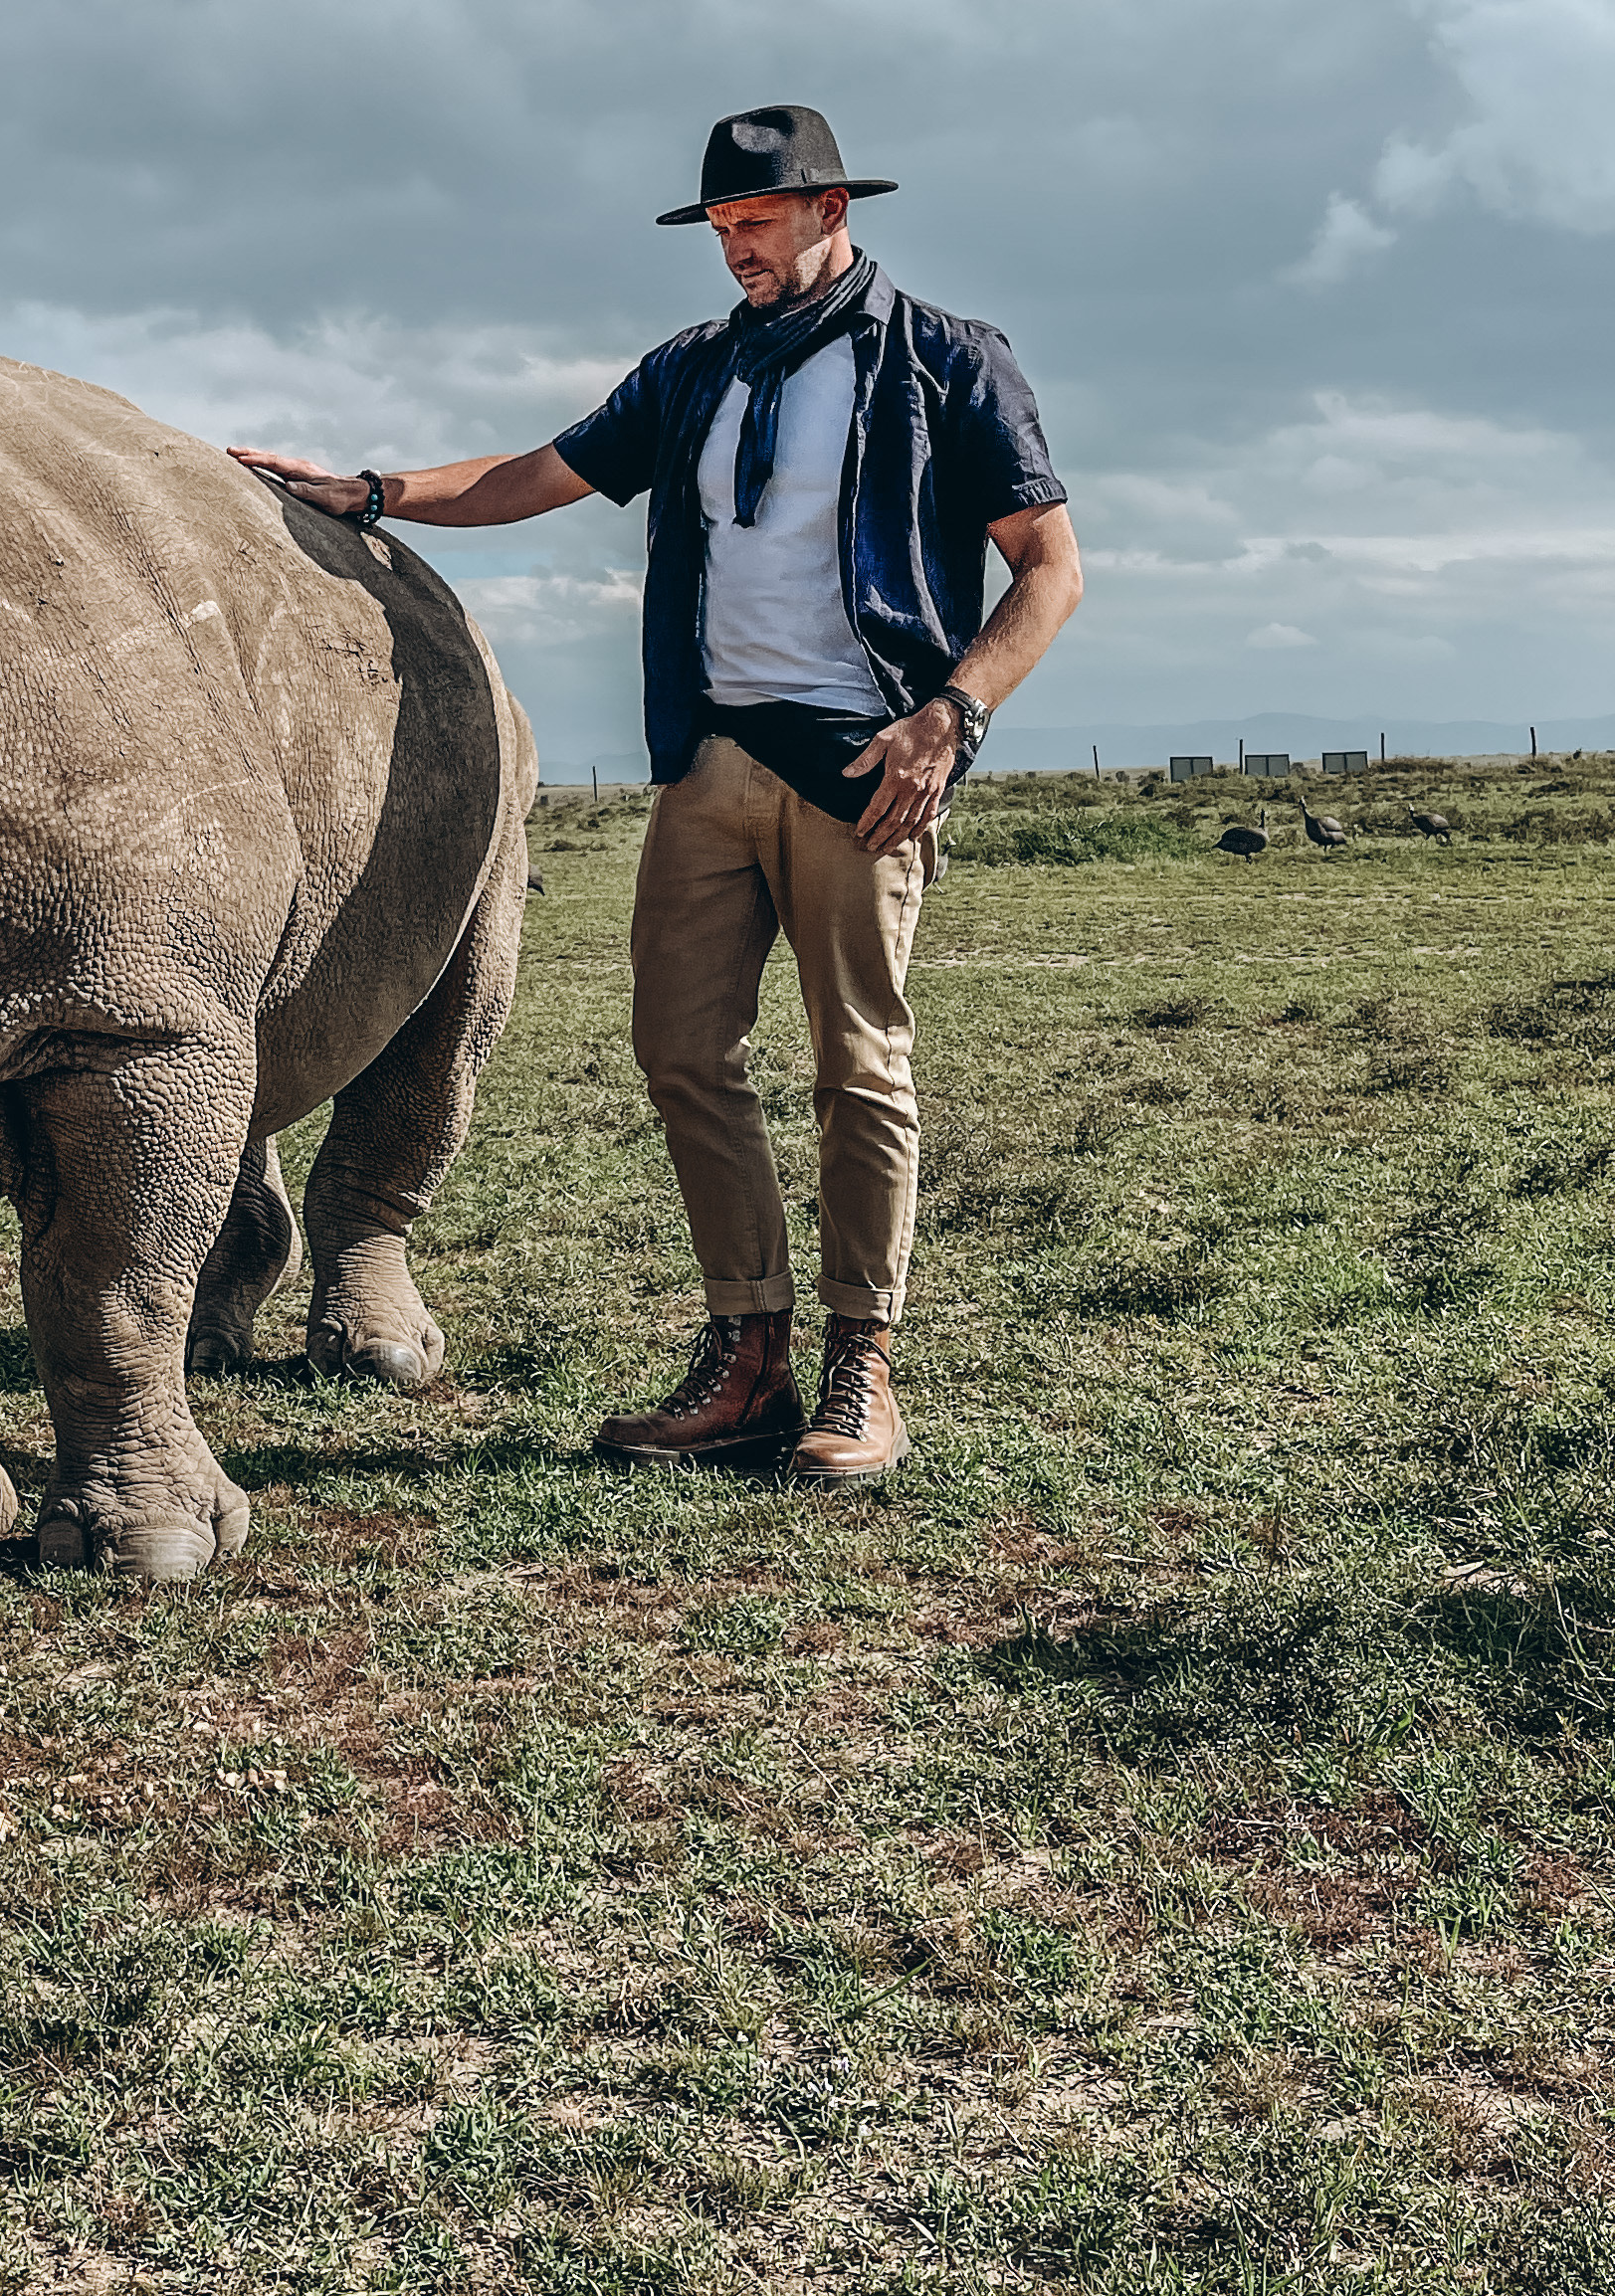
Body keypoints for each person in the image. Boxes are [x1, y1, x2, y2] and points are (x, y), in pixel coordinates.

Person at [230, 102, 1081, 1486]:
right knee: (683, 1058)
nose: (735, 248)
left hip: (863, 763)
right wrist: (372, 490)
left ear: (832, 213)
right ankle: (750, 1354)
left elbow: (1050, 566)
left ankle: (864, 1366)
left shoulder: (945, 359)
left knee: (858, 1065)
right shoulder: (692, 372)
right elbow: (539, 473)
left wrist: (954, 715)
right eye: (722, 228)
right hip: (711, 762)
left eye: (757, 222)